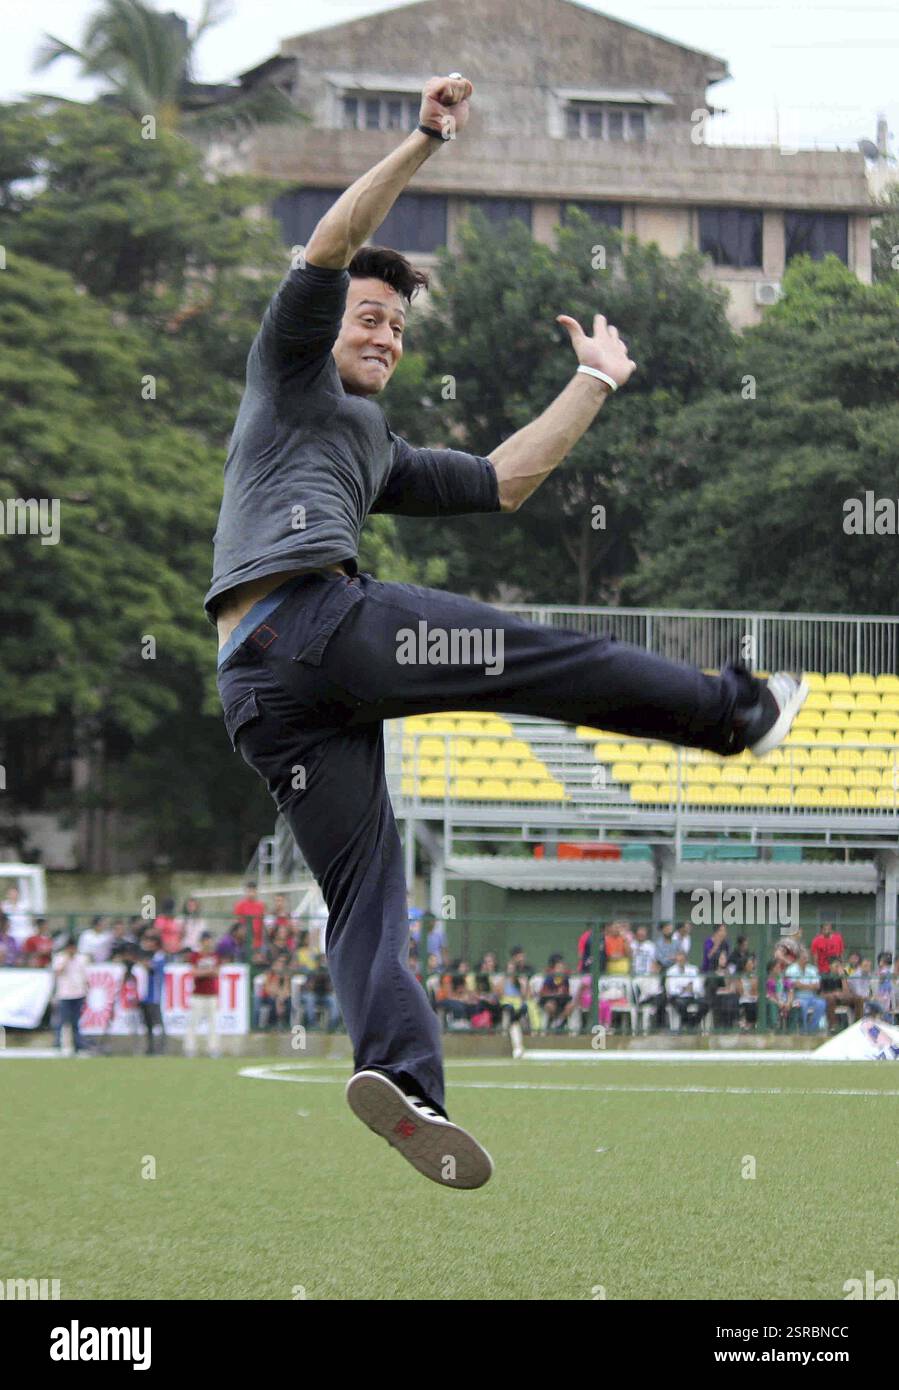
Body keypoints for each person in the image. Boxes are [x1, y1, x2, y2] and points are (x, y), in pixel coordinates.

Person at [208, 73, 807, 1188]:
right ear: (328, 323)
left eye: (397, 324)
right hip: (312, 620)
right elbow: (332, 244)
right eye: (369, 317)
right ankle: (732, 715)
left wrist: (591, 380)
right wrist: (423, 143)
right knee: (536, 656)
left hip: (263, 692)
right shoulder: (286, 370)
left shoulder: (372, 444)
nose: (383, 334)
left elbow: (502, 481)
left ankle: (402, 1079)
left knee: (365, 890)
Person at [52, 938, 90, 1056]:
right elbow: (57, 973)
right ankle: (58, 1044)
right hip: (65, 994)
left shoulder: (82, 959)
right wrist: (66, 960)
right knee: (62, 1021)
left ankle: (77, 1045)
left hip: (79, 993)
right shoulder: (60, 958)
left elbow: (85, 975)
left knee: (76, 1021)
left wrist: (86, 990)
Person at [185, 932, 220, 1058]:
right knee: (193, 1022)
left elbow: (217, 972)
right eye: (206, 941)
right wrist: (208, 971)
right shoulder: (195, 956)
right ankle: (190, 1048)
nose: (209, 943)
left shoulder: (215, 956)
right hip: (198, 994)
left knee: (213, 1023)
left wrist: (205, 972)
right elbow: (194, 973)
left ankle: (213, 1048)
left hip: (211, 994)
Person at [138, 931, 167, 1055]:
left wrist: (141, 961)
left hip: (154, 996)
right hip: (144, 995)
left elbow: (153, 967)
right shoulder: (146, 955)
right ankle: (150, 1048)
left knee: (158, 1024)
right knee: (148, 1024)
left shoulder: (159, 956)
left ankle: (161, 1048)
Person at [665, 950, 709, 1032]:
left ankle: (692, 1023)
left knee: (705, 1004)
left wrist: (691, 988)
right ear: (676, 960)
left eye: (682, 959)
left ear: (686, 959)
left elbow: (698, 986)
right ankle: (690, 1024)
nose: (681, 961)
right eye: (679, 960)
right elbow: (671, 990)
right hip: (677, 998)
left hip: (692, 996)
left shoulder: (693, 969)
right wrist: (684, 989)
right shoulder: (671, 971)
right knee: (680, 1005)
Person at [785, 948, 826, 1034]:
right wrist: (810, 986)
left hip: (812, 996)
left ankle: (812, 1029)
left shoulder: (813, 969)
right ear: (798, 958)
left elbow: (817, 986)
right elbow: (794, 985)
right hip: (797, 997)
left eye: (807, 957)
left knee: (821, 1003)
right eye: (804, 957)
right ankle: (803, 1029)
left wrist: (802, 985)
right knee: (802, 1005)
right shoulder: (791, 969)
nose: (806, 959)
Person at [819, 956, 865, 1033]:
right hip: (831, 999)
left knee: (859, 999)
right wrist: (834, 994)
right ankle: (833, 1026)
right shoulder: (825, 975)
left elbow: (847, 991)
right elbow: (821, 993)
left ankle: (858, 1024)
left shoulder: (843, 973)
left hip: (843, 998)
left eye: (840, 966)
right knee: (831, 999)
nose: (838, 968)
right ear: (830, 966)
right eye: (836, 966)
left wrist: (843, 977)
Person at [233, 882, 267, 952]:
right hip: (244, 943)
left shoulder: (261, 906)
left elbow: (264, 924)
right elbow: (236, 924)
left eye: (253, 891)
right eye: (249, 891)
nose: (251, 894)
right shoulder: (240, 905)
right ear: (246, 892)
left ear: (256, 892)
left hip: (259, 943)